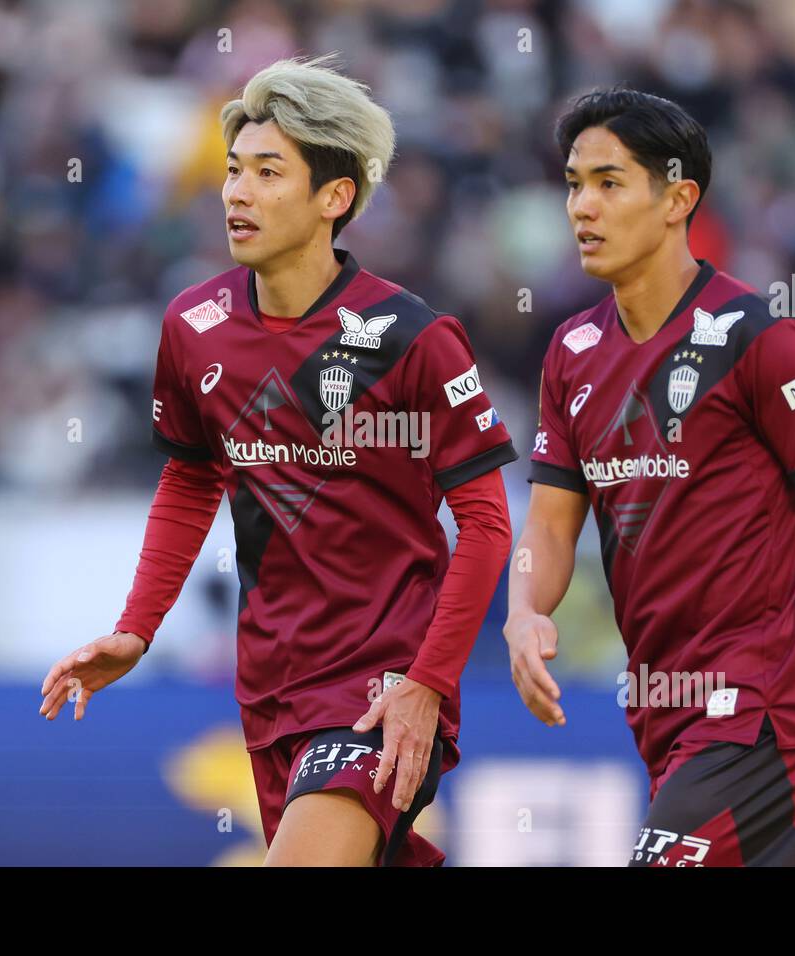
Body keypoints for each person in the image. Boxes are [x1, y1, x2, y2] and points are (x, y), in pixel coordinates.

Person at [39, 56, 517, 866]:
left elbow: (487, 524)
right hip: (268, 690)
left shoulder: (413, 338)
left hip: (381, 689)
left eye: (268, 173)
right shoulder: (195, 327)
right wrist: (136, 630)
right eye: (234, 171)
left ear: (335, 197)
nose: (237, 193)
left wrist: (428, 683)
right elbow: (192, 479)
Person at [505, 87, 795, 866]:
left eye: (609, 183)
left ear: (677, 200)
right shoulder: (571, 353)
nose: (581, 207)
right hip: (666, 716)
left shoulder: (759, 339)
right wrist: (524, 610)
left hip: (766, 707)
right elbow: (551, 525)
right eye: (574, 184)